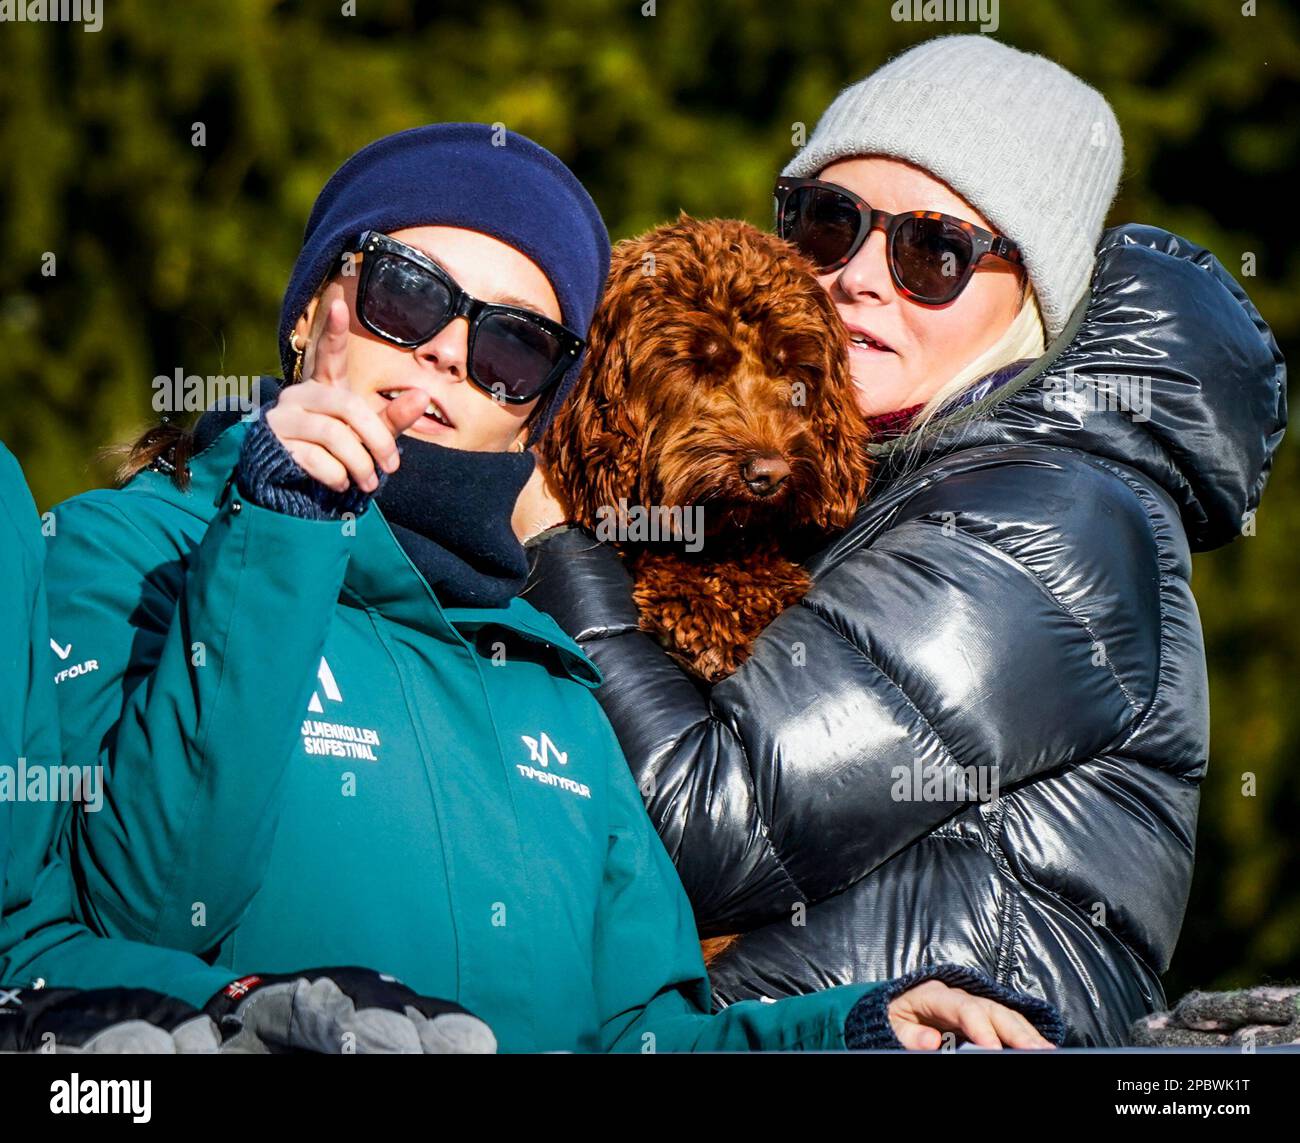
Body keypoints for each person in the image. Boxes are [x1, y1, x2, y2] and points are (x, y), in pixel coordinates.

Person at [44, 122, 1061, 1053]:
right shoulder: (119, 554)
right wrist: (280, 529)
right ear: (315, 308)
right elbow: (130, 917)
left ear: (542, 413)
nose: (447, 351)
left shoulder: (554, 669)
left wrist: (853, 1033)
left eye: (511, 347)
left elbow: (637, 1034)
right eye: (408, 295)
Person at [521, 37, 1288, 1045]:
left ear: (1033, 297)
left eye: (932, 251)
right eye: (828, 225)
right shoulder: (858, 492)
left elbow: (707, 822)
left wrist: (551, 537)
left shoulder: (1046, 518)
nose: (858, 278)